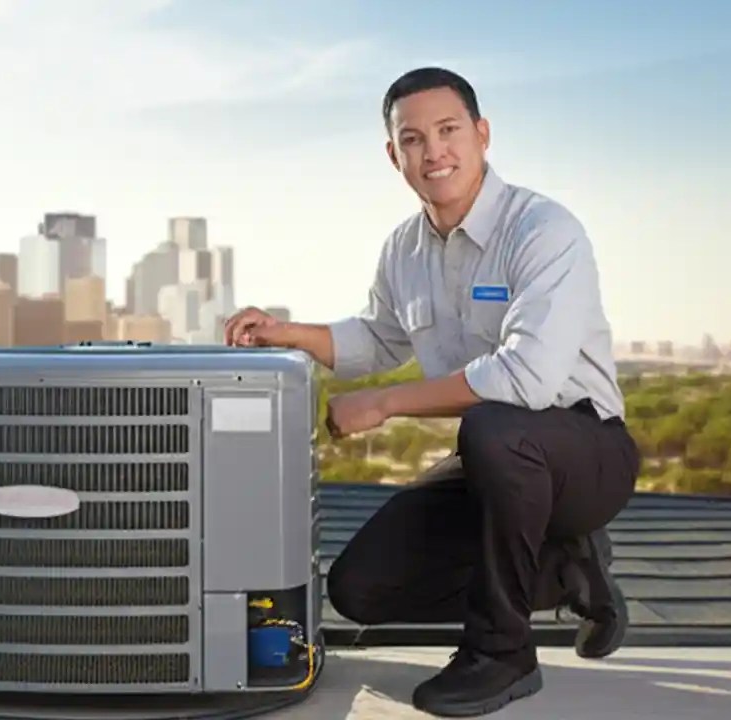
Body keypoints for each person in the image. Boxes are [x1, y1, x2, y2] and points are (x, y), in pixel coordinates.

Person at [223, 67, 640, 717]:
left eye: (448, 131)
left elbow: (526, 378)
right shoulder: (404, 249)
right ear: (395, 156)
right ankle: (566, 571)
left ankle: (502, 653)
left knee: (496, 427)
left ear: (481, 134)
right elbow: (376, 339)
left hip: (587, 452)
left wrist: (385, 403)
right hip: (496, 464)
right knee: (361, 589)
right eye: (412, 139)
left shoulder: (544, 230)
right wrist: (287, 332)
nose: (433, 151)